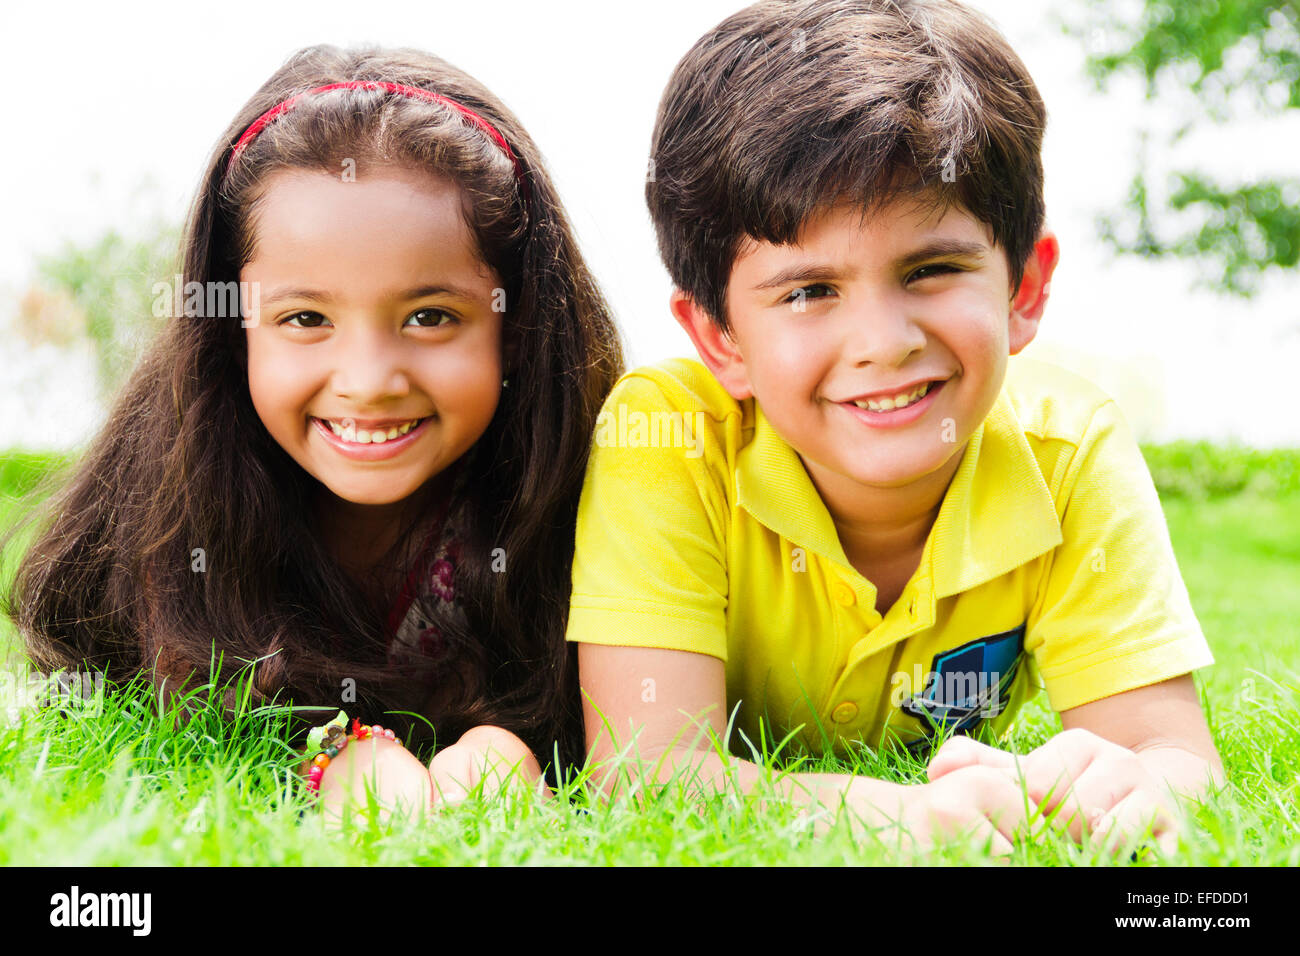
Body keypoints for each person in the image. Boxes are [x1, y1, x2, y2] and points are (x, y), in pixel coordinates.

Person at [567, 0, 1224, 857]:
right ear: (720, 339)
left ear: (1022, 288)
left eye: (931, 269)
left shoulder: (1069, 452)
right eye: (808, 292)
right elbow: (646, 775)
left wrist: (1138, 785)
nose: (883, 344)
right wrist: (898, 816)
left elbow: (1173, 753)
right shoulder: (669, 437)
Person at [4, 45, 624, 819]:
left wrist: (495, 751)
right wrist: (342, 754)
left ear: (519, 322)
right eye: (305, 318)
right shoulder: (165, 516)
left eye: (430, 317)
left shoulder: (595, 507)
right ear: (233, 332)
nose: (367, 379)